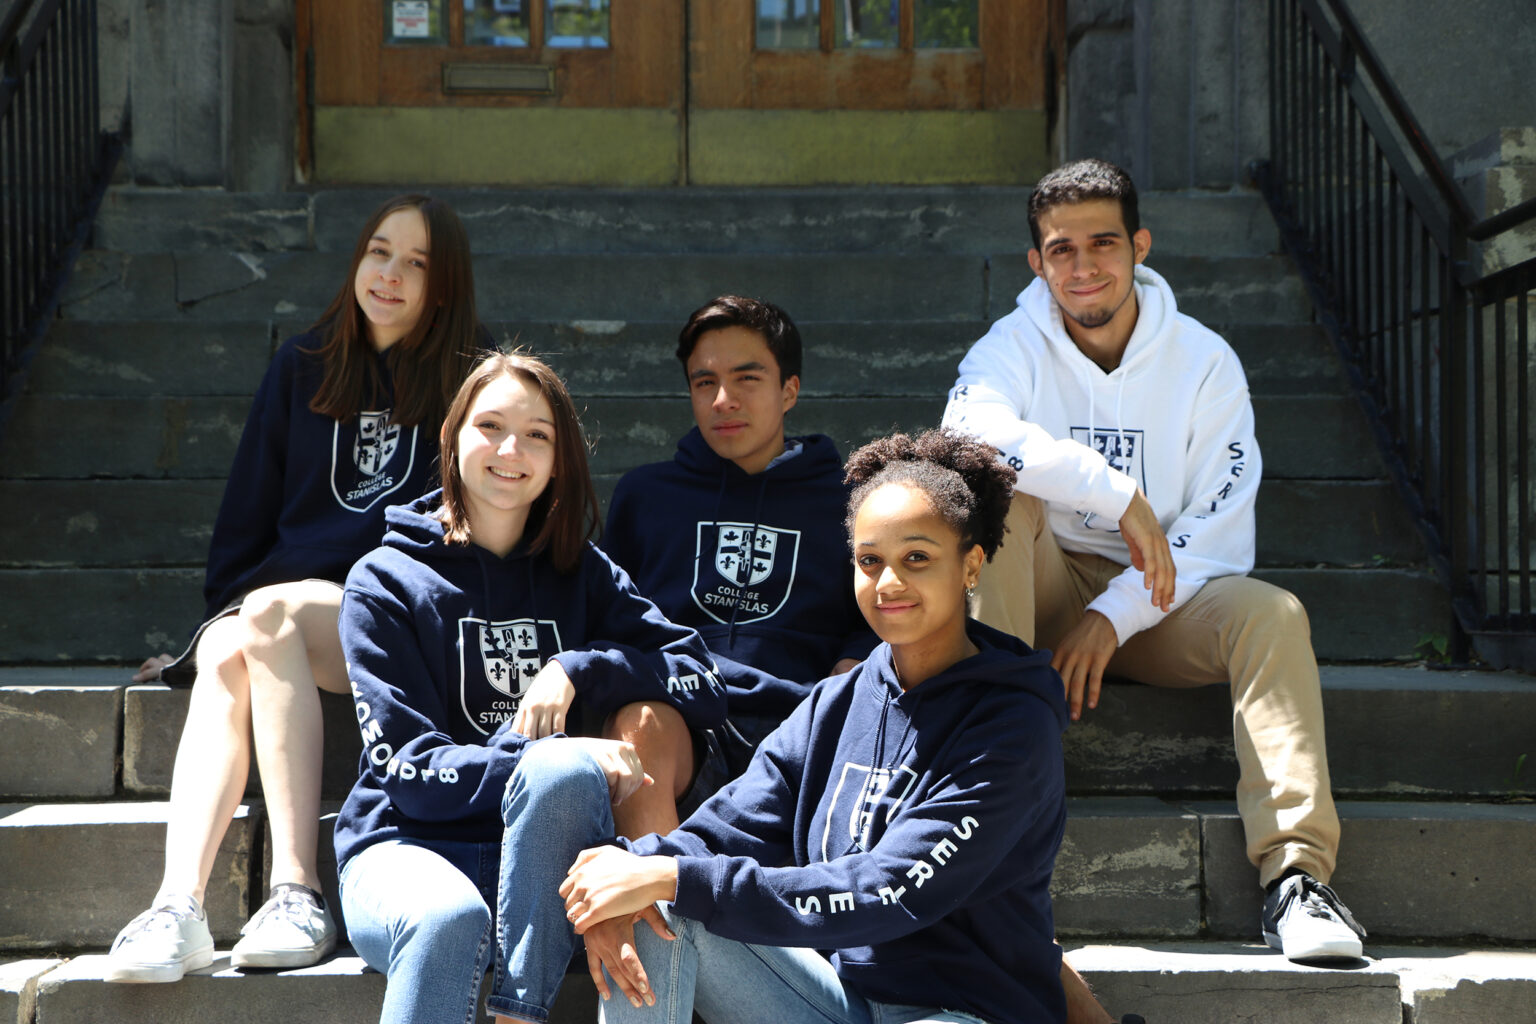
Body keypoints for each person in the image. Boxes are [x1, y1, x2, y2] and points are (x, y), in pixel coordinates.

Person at [493, 428, 1072, 1024]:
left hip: (962, 1012)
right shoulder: (838, 703)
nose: (889, 583)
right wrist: (635, 872)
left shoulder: (1013, 725)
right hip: (832, 998)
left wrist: (669, 875)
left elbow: (889, 889)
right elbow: (724, 827)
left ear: (971, 565)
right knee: (655, 902)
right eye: (870, 561)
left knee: (672, 885)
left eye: (917, 559)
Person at [941, 157, 1366, 962]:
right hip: (1042, 586)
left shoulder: (1204, 360)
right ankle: (980, 810)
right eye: (1061, 249)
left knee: (1274, 614)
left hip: (1163, 596)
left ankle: (1297, 880)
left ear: (1139, 246)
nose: (1084, 266)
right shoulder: (1012, 344)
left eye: (1103, 243)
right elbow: (971, 441)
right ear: (1037, 263)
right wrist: (1115, 494)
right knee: (999, 499)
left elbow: (1221, 528)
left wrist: (1116, 614)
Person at [105, 194, 489, 983]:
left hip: (399, 617)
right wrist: (216, 616)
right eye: (379, 251)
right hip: (286, 615)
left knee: (270, 613)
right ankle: (178, 905)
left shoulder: (468, 378)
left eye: (416, 264)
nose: (389, 274)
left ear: (443, 287)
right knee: (225, 652)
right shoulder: (304, 364)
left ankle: (296, 888)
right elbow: (249, 511)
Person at [333, 351, 727, 1024]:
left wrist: (577, 667)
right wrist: (544, 756)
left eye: (537, 434)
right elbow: (407, 772)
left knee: (565, 776)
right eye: (490, 426)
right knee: (449, 917)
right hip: (407, 847)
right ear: (452, 436)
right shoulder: (385, 580)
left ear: (560, 460)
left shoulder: (582, 572)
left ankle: (521, 1012)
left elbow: (702, 679)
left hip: (543, 863)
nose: (511, 450)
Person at [600, 295, 876, 837]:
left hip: (803, 723)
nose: (723, 400)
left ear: (789, 390)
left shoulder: (851, 500)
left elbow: (881, 610)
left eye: (746, 379)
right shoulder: (645, 494)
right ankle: (656, 912)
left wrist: (851, 666)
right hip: (682, 713)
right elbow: (607, 611)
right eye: (704, 383)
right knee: (640, 724)